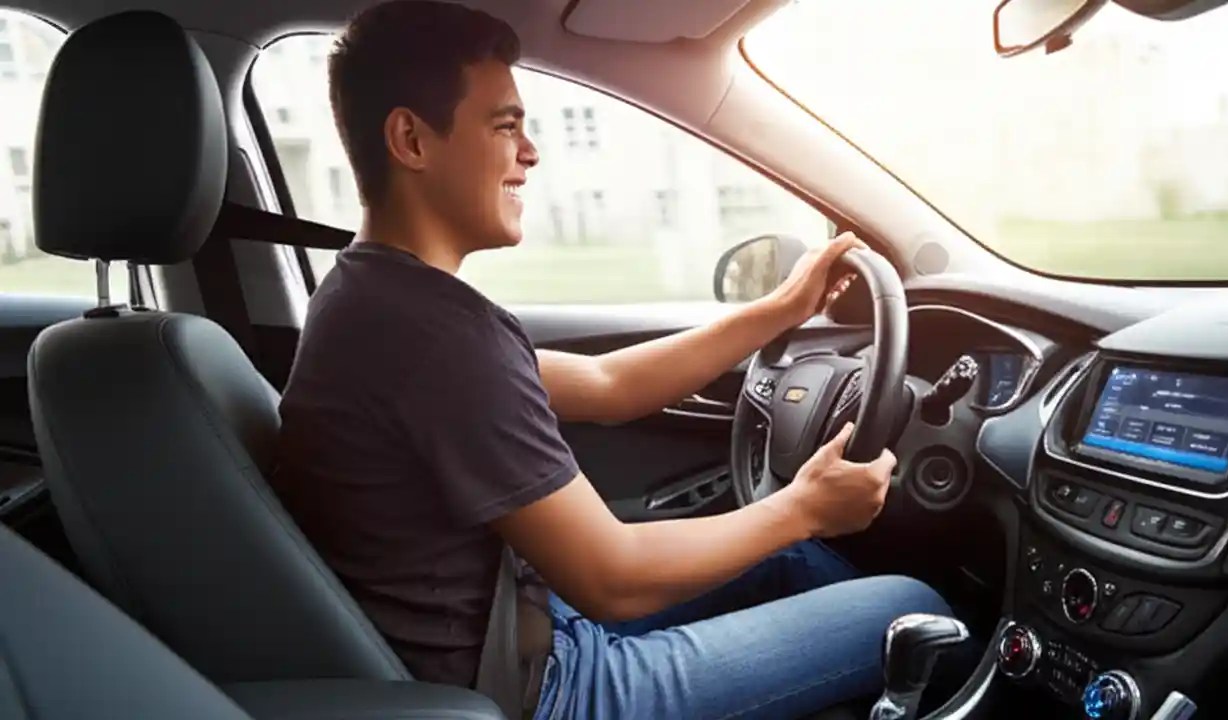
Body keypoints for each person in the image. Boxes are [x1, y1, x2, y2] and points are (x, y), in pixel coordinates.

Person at [270, 2, 963, 718]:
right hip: (540, 690)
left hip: (517, 627)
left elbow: (610, 385)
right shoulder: (436, 336)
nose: (531, 151)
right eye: (505, 125)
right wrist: (807, 507)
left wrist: (779, 311)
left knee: (789, 561)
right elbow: (614, 579)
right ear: (411, 139)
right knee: (914, 608)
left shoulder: (370, 296)